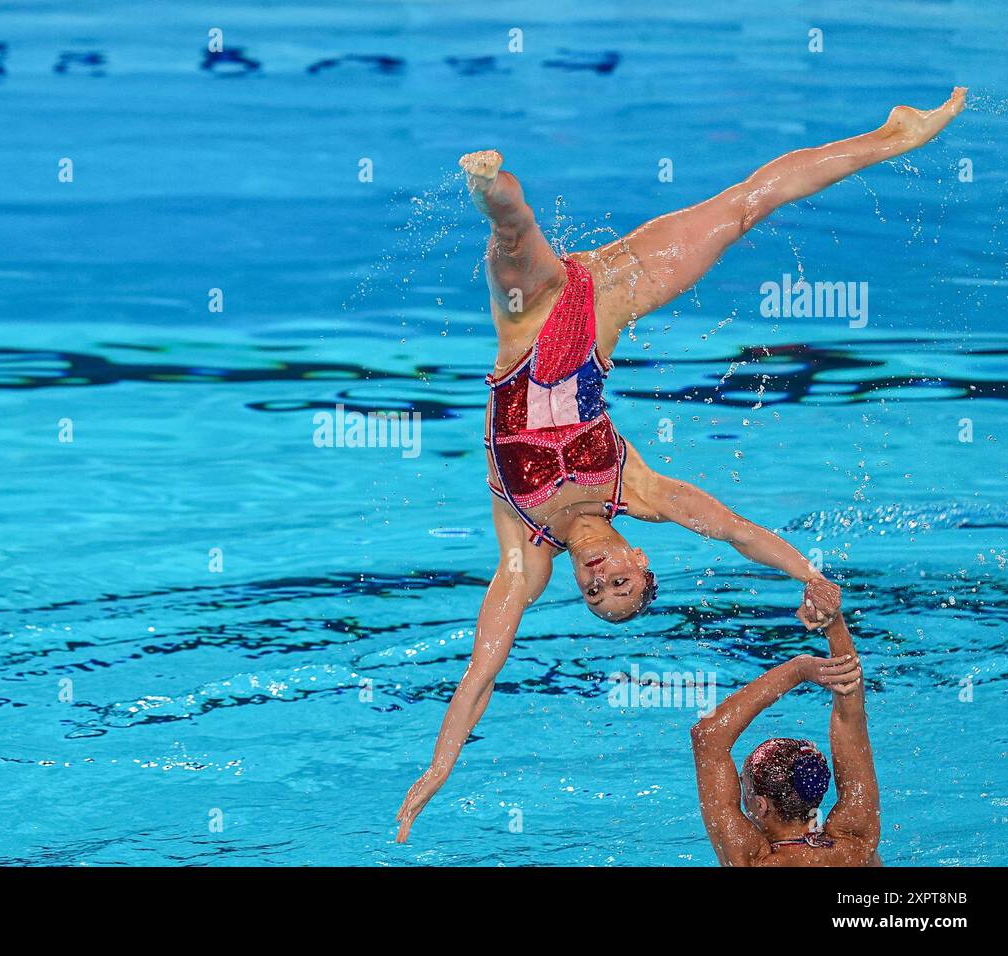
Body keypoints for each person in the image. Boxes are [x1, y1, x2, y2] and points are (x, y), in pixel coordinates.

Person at [394, 89, 964, 844]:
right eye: (620, 583)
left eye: (595, 592)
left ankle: (489, 183)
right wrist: (807, 576)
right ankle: (895, 136)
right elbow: (733, 529)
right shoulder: (638, 489)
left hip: (530, 323)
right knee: (742, 207)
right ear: (638, 554)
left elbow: (480, 674)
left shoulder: (524, 550)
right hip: (611, 298)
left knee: (512, 236)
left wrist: (438, 767)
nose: (601, 579)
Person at [690, 612, 880, 865]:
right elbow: (850, 717)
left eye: (742, 784)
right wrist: (833, 621)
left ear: (760, 806)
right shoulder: (857, 842)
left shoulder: (754, 861)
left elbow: (707, 736)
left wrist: (798, 669)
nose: (737, 785)